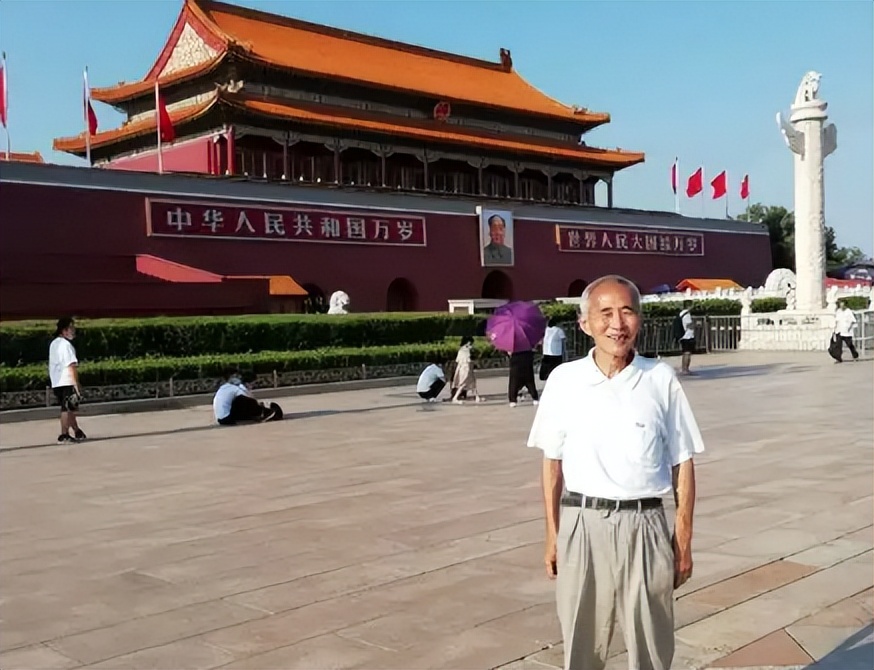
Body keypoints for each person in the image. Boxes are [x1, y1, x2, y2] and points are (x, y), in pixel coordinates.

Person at [527, 275, 704, 670]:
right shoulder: (564, 381)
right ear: (585, 324)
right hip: (581, 523)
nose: (617, 324)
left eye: (627, 312)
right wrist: (553, 534)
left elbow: (684, 462)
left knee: (651, 647)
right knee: (582, 645)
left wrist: (684, 539)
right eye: (605, 313)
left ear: (639, 320)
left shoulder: (659, 379)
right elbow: (551, 463)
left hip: (645, 525)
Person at [48, 316, 86, 443]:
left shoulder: (54, 343)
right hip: (67, 381)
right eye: (71, 328)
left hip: (57, 381)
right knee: (67, 409)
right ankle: (64, 434)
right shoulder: (66, 345)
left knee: (69, 408)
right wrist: (76, 384)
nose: (73, 330)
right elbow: (71, 365)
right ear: (64, 331)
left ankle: (76, 430)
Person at [213, 370, 282, 425]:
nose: (253, 386)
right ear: (247, 383)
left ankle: (259, 414)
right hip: (227, 418)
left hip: (221, 419)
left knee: (242, 401)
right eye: (253, 384)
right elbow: (251, 400)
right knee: (244, 400)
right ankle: (267, 413)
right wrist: (260, 407)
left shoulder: (227, 386)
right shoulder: (239, 388)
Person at [450, 336, 484, 404]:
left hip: (464, 368)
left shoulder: (461, 350)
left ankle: (477, 397)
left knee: (472, 383)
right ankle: (455, 398)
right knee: (463, 384)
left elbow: (458, 361)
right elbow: (468, 361)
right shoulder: (465, 351)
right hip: (466, 369)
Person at [677, 300, 695, 374]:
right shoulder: (687, 314)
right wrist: (694, 324)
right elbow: (688, 325)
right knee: (687, 353)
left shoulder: (681, 313)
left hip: (683, 336)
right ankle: (686, 369)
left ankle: (683, 368)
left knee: (684, 353)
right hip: (688, 336)